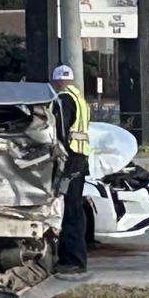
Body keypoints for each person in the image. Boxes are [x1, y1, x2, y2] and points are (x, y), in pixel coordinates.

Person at [50, 64, 91, 277]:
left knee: (70, 212)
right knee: (74, 210)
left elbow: (59, 131)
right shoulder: (79, 97)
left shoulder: (63, 99)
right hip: (81, 159)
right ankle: (75, 258)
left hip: (71, 161)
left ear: (56, 81)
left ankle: (73, 260)